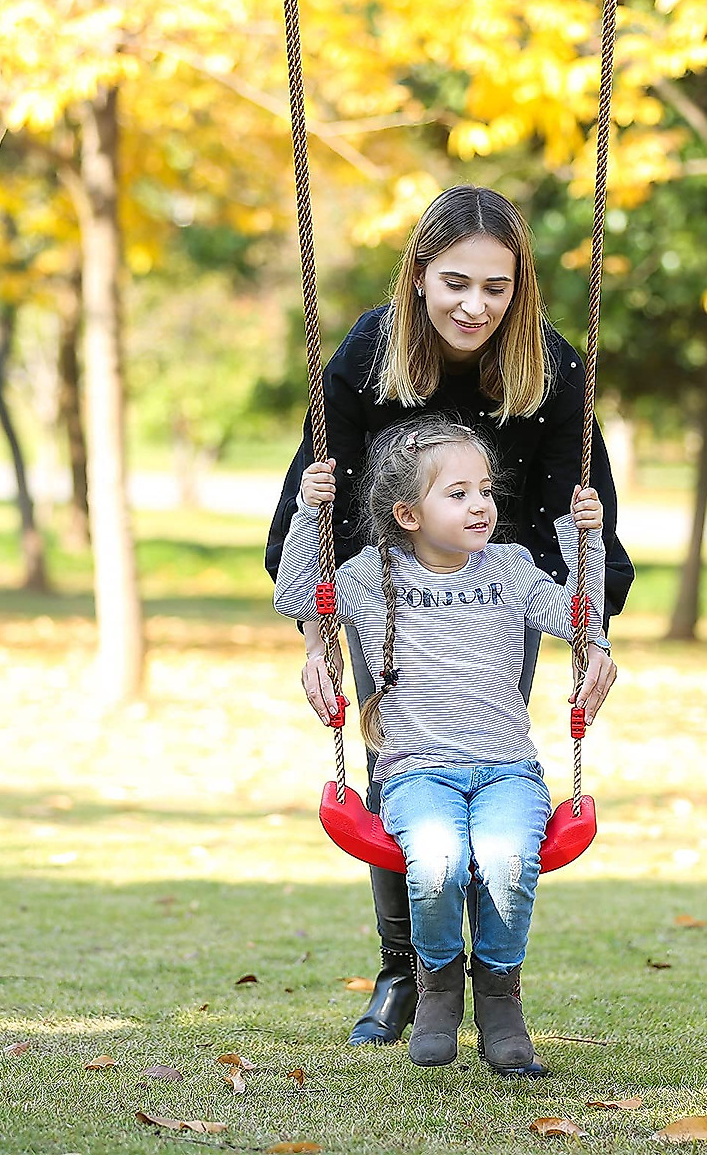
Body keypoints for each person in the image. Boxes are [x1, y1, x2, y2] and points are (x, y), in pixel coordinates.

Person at [265, 184, 633, 1046]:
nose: (475, 306)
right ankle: (408, 972)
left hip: (505, 589)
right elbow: (321, 495)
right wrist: (318, 639)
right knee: (405, 762)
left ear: (520, 287)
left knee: (488, 756)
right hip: (388, 588)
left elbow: (579, 506)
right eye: (455, 283)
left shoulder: (549, 367)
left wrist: (591, 638)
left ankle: (493, 981)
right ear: (419, 274)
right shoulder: (371, 351)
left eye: (497, 287)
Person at [274, 415, 606, 1075]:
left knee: (508, 860)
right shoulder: (369, 577)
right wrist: (308, 517)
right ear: (407, 514)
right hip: (417, 773)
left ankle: (500, 1001)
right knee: (437, 861)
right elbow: (294, 597)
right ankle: (438, 991)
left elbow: (579, 621)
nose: (480, 504)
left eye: (485, 490)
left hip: (508, 770)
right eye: (458, 494)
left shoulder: (511, 568)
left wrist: (584, 540)